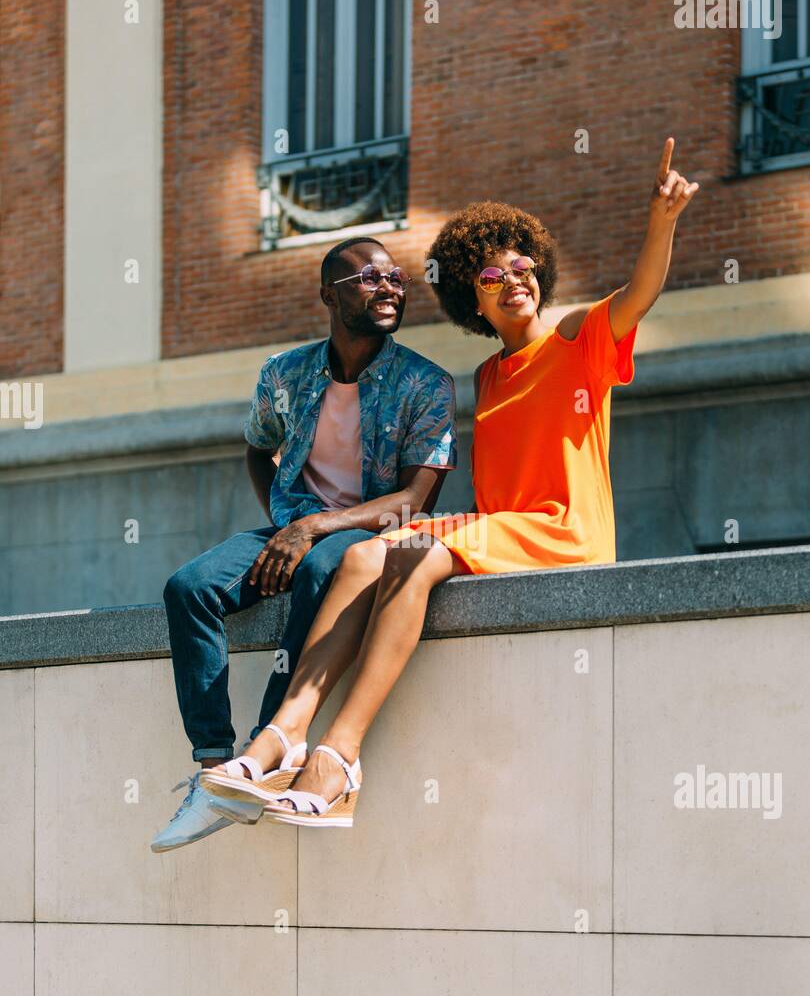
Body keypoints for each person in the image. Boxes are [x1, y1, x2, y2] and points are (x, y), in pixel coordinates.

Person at [199, 138, 698, 828]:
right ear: (475, 299)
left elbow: (639, 293)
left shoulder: (579, 338)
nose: (514, 278)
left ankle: (339, 758)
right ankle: (282, 735)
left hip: (562, 531)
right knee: (369, 551)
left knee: (405, 551)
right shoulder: (488, 377)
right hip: (500, 528)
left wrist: (663, 220)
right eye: (494, 274)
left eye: (523, 265)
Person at [150, 236, 458, 851]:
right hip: (294, 527)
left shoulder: (427, 383)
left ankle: (268, 750)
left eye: (396, 278)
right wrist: (286, 518)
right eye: (370, 278)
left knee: (320, 568)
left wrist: (313, 528)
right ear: (329, 294)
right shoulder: (282, 373)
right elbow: (257, 446)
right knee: (188, 588)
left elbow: (414, 503)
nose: (391, 287)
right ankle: (214, 769)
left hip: (365, 536)